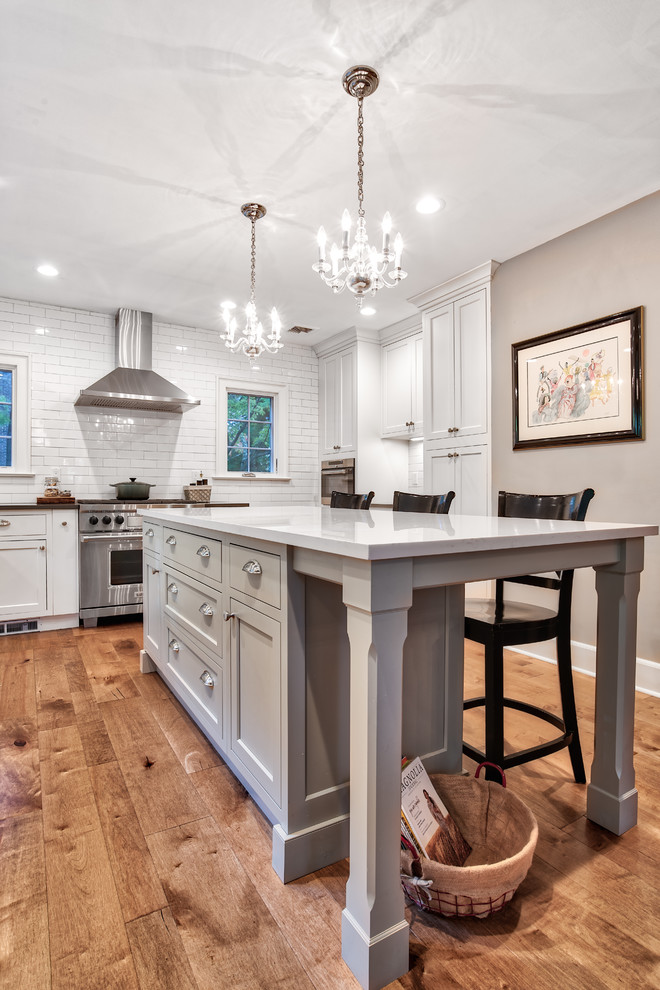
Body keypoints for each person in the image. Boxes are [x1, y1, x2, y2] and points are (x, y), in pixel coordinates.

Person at [422, 788, 471, 866]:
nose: (426, 795)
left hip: (441, 817)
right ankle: (453, 845)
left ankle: (455, 843)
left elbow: (437, 807)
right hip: (438, 820)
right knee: (446, 833)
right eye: (424, 794)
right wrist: (437, 820)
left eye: (426, 793)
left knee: (449, 830)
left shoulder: (431, 799)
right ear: (424, 796)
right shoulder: (428, 804)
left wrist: (440, 814)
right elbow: (432, 814)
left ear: (427, 793)